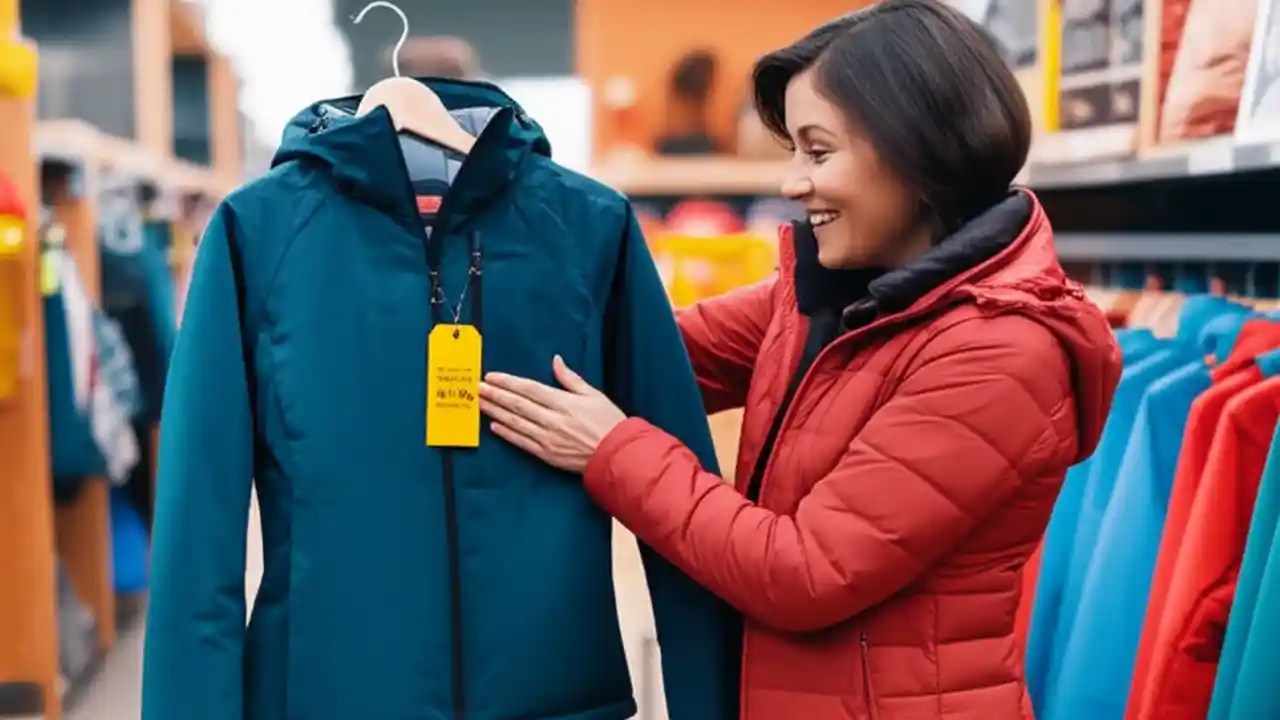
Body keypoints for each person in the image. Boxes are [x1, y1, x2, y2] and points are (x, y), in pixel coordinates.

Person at [478, 1, 1122, 718]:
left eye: (817, 152)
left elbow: (807, 571)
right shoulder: (830, 296)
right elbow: (650, 352)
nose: (792, 182)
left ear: (918, 148)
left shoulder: (1002, 352)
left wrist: (612, 452)